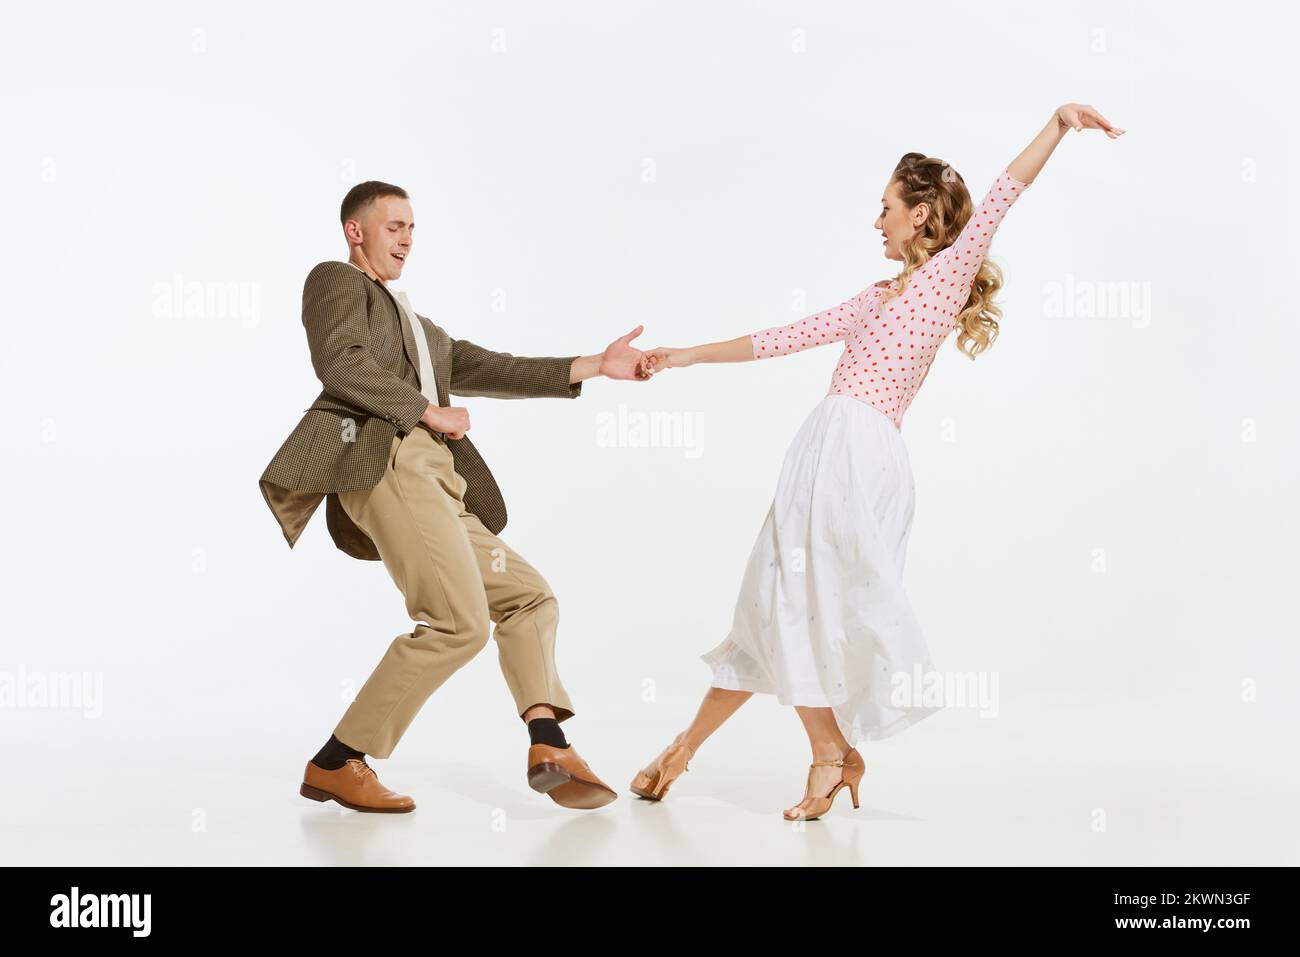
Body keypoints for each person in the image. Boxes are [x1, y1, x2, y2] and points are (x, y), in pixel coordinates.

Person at [631, 103, 1124, 821]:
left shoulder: (947, 277)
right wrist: (685, 355)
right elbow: (782, 336)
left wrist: (1057, 123)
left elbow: (1002, 193)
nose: (876, 221)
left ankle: (827, 753)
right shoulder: (873, 297)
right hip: (823, 451)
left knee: (801, 606)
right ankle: (686, 749)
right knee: (773, 605)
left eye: (886, 207)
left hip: (859, 457)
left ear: (920, 215)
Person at [259, 180, 654, 813]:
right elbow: (339, 363)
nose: (407, 238)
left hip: (441, 486)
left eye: (412, 228)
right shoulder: (334, 280)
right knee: (456, 624)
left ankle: (548, 743)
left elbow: (488, 365)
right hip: (389, 464)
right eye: (394, 226)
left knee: (527, 596)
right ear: (355, 231)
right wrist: (425, 411)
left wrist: (592, 365)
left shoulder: (417, 326)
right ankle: (339, 762)